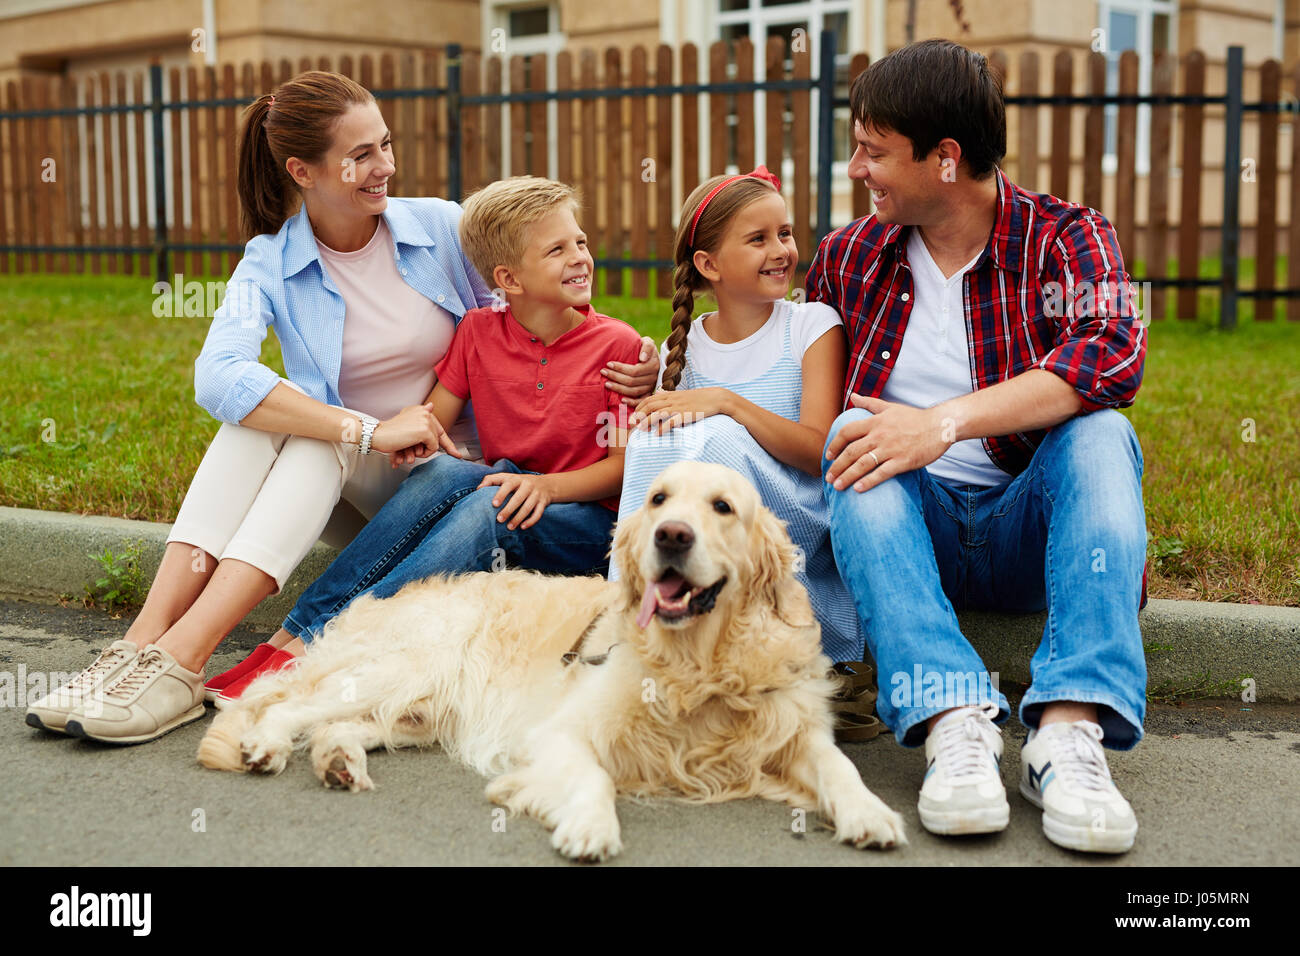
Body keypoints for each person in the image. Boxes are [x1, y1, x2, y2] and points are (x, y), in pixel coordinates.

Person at [25, 74, 658, 744]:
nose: (384, 165)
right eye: (361, 154)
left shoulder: (441, 228)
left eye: (384, 144)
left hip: (455, 473)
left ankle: (199, 654)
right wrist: (367, 430)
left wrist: (639, 362)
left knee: (327, 436)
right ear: (303, 170)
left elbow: (535, 313)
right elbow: (216, 376)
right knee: (285, 425)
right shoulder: (270, 261)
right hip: (359, 475)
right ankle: (144, 645)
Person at [808, 39, 1148, 853]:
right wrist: (668, 376)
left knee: (1103, 429)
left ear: (947, 158)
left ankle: (1068, 733)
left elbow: (1112, 357)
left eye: (875, 152)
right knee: (851, 432)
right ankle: (952, 717)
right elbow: (788, 378)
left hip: (1028, 529)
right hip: (908, 533)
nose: (858, 170)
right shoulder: (847, 257)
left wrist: (941, 422)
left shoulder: (1070, 237)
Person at [255, 176, 645, 659]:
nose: (579, 257)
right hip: (514, 489)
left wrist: (547, 488)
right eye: (557, 250)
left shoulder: (619, 346)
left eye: (580, 242)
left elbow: (624, 469)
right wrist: (409, 431)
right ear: (509, 280)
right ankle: (296, 631)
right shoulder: (479, 333)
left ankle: (338, 636)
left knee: (490, 505)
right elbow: (434, 418)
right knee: (444, 470)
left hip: (589, 528)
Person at [611, 165, 859, 664]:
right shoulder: (685, 348)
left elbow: (818, 453)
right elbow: (647, 460)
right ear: (709, 264)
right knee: (649, 438)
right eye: (758, 239)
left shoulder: (810, 325)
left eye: (784, 233)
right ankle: (626, 608)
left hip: (790, 531)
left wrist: (727, 403)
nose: (781, 250)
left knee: (719, 433)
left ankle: (782, 621)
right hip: (711, 535)